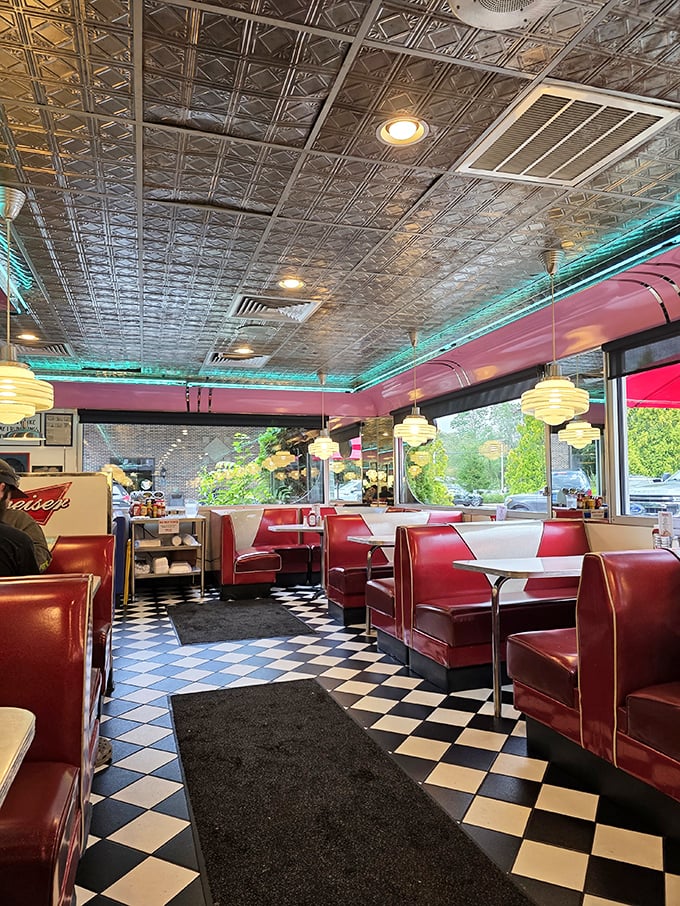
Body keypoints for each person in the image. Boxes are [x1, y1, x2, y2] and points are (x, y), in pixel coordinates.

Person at [0, 458, 51, 571]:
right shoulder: (19, 537)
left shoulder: (19, 519)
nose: (10, 501)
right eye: (10, 496)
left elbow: (41, 555)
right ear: (2, 489)